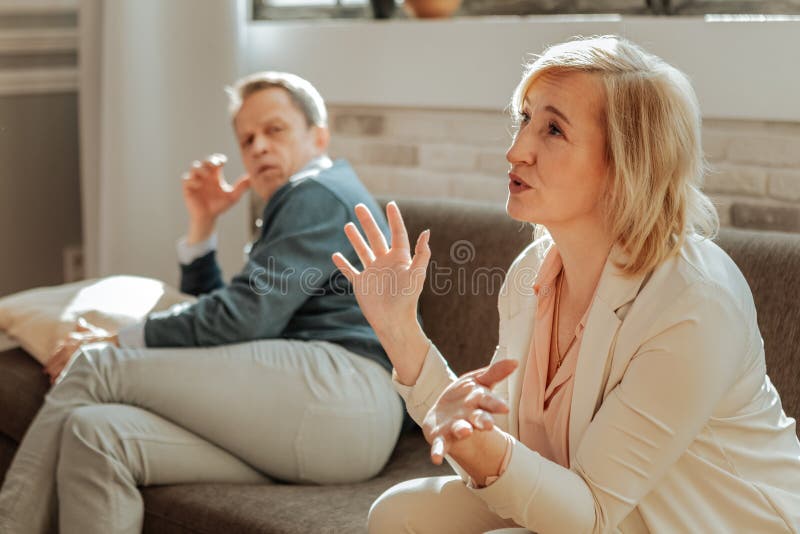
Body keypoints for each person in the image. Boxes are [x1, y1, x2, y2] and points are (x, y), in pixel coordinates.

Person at [333, 36, 800, 533]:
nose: (515, 151)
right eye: (525, 120)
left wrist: (479, 443)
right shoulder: (532, 272)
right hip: (587, 506)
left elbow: (590, 515)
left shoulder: (695, 300)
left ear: (627, 164)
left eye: (553, 129)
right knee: (397, 514)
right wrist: (399, 330)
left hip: (700, 523)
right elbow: (502, 459)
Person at [0, 72, 403, 534]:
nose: (259, 148)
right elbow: (223, 336)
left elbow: (244, 318)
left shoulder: (318, 191)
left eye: (275, 130)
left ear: (319, 135)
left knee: (95, 365)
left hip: (343, 390)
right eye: (247, 140)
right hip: (317, 422)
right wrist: (202, 230)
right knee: (96, 435)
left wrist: (120, 339)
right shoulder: (304, 202)